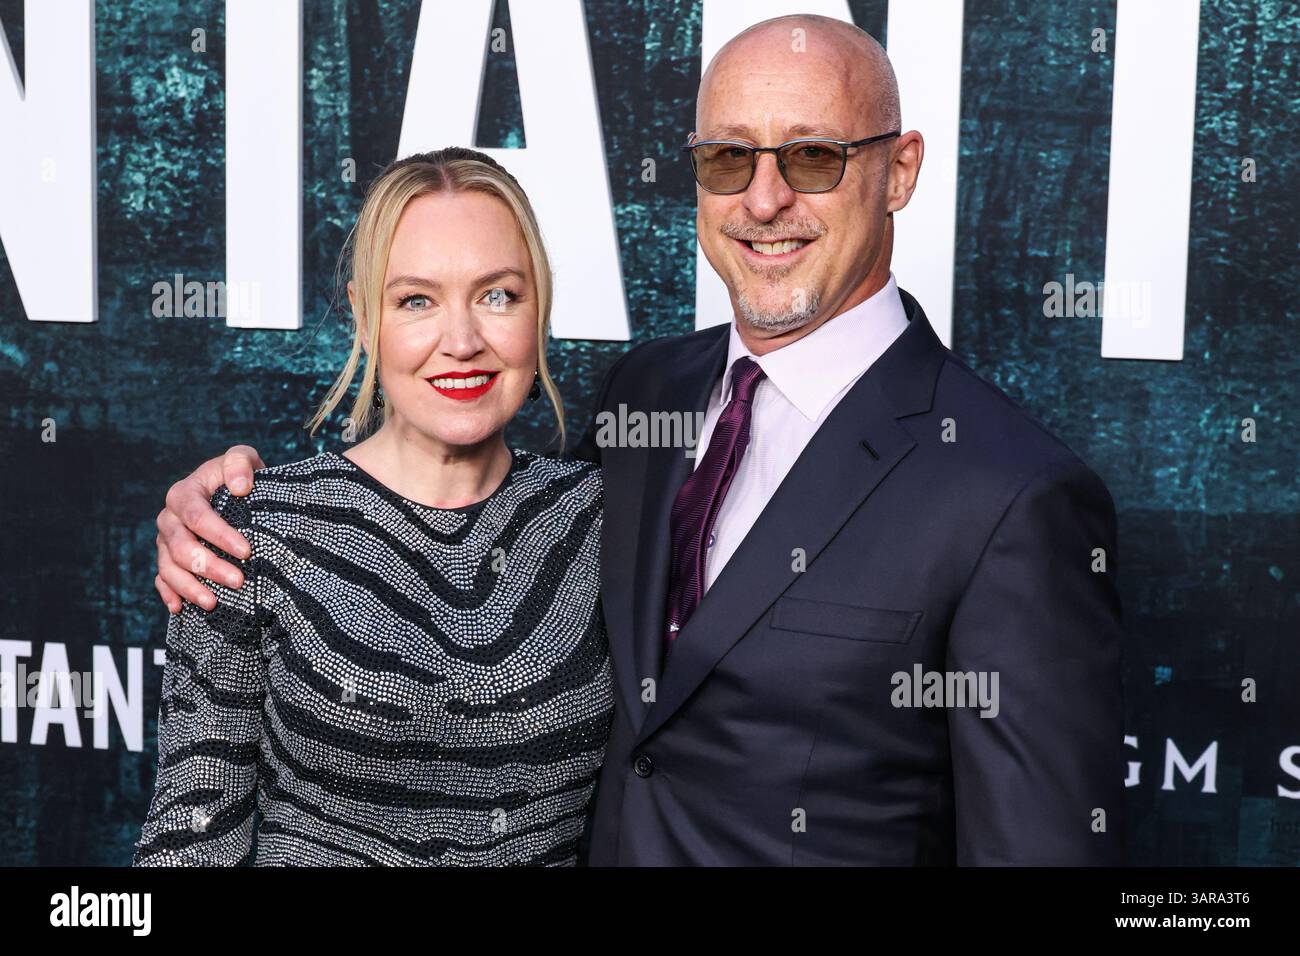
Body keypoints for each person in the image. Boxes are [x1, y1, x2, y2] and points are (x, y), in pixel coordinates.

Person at [154, 16, 1125, 865]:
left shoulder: (1012, 495)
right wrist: (216, 502)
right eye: (728, 158)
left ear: (899, 168)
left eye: (814, 157)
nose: (765, 198)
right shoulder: (648, 397)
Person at [135, 147, 612, 866]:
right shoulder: (249, 534)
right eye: (416, 300)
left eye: (498, 295)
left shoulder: (604, 519)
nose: (461, 342)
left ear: (539, 306)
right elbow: (191, 839)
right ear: (366, 318)